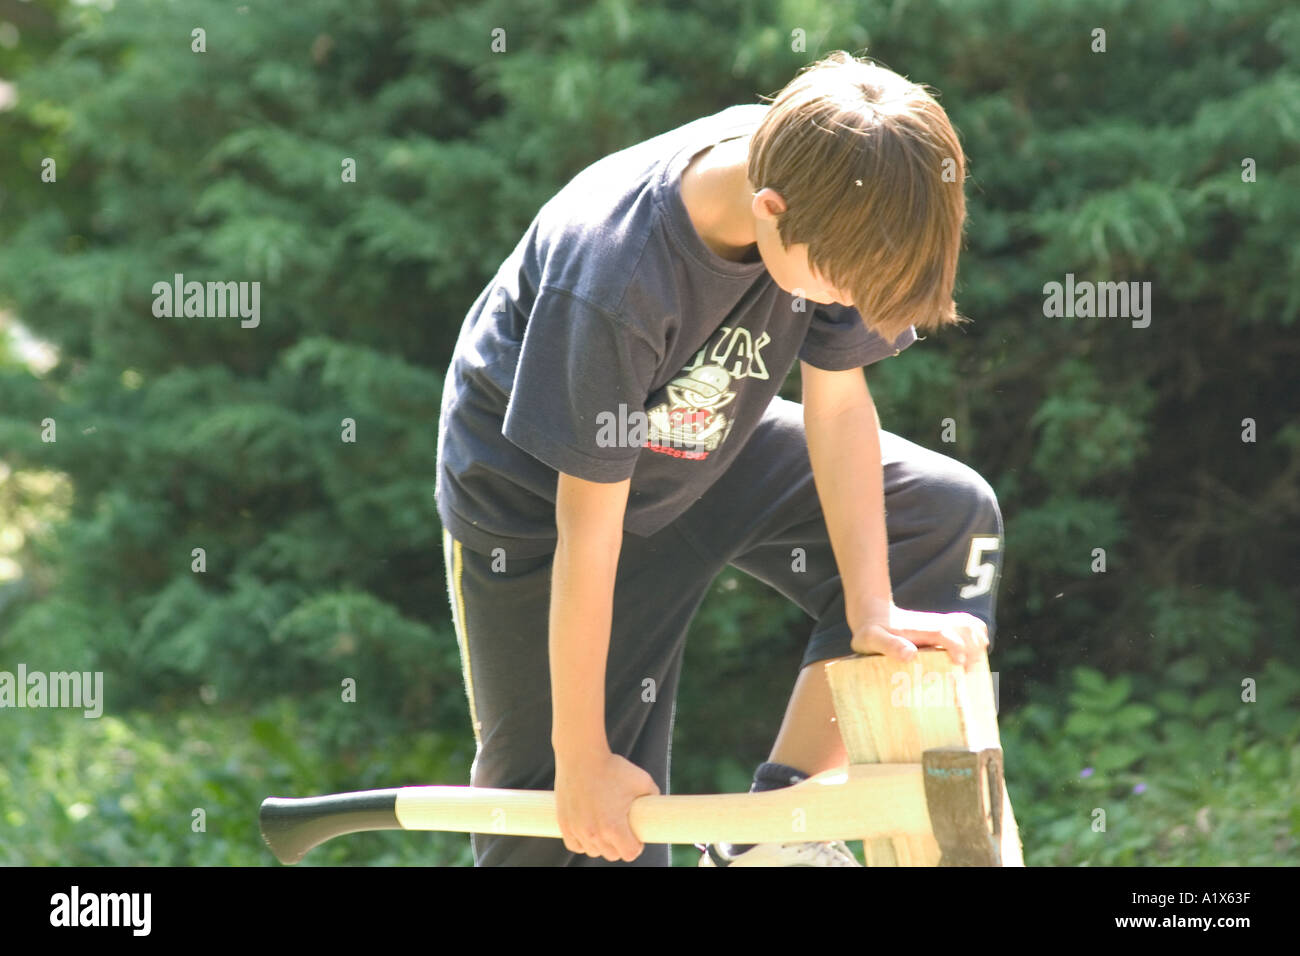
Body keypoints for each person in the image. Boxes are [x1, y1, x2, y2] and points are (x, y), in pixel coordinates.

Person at [435, 50, 1003, 866]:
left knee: (940, 516)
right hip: (542, 514)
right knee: (575, 833)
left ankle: (766, 839)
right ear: (769, 209)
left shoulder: (842, 190)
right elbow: (588, 528)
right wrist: (584, 760)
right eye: (837, 290)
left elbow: (838, 406)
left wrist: (870, 608)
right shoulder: (617, 274)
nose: (842, 307)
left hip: (696, 442)